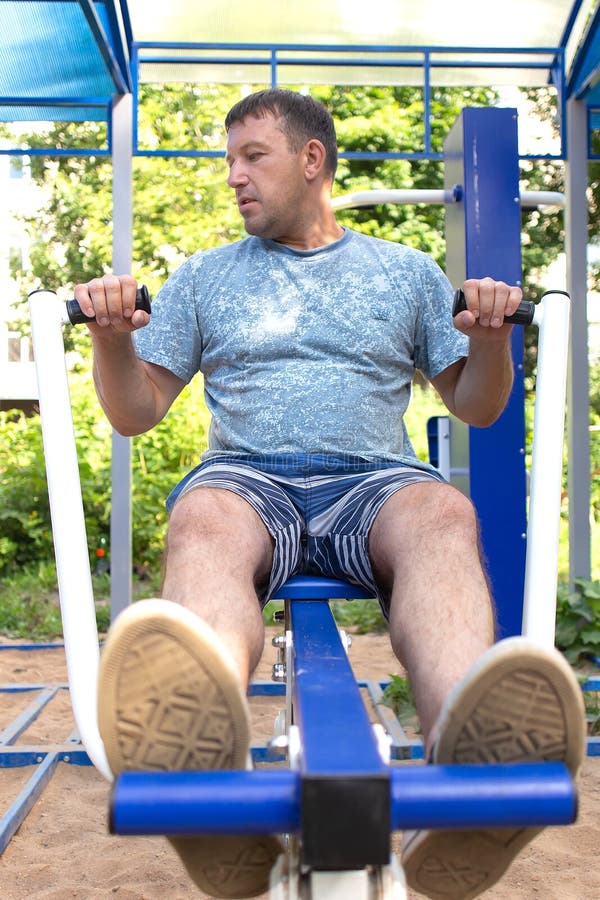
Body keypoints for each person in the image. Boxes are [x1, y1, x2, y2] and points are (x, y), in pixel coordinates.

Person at [76, 89, 585, 900]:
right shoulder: (206, 278)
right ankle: (205, 765)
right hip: (249, 481)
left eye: (253, 157)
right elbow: (136, 412)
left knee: (445, 511)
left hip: (370, 482)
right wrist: (111, 341)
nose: (234, 176)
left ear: (312, 161)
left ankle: (471, 760)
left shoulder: (406, 273)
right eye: (229, 160)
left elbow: (477, 405)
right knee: (201, 514)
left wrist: (490, 342)